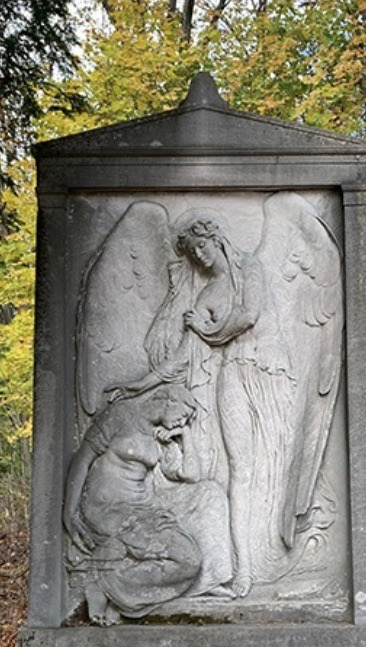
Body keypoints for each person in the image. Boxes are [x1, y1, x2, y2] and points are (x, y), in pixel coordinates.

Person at [106, 211, 294, 597]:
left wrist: (206, 330)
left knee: (271, 467)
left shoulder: (250, 269)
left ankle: (266, 552)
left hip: (269, 374)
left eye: (202, 246)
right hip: (233, 378)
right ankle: (241, 569)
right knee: (239, 472)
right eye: (193, 252)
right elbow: (181, 355)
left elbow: (247, 316)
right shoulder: (206, 295)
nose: (200, 256)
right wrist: (140, 384)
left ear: (216, 238)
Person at [64, 383, 232, 624]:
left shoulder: (158, 436)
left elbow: (192, 475)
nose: (181, 423)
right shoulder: (120, 415)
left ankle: (120, 595)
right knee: (186, 559)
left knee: (191, 548)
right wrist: (69, 512)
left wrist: (186, 436)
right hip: (107, 510)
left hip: (141, 511)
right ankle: (103, 588)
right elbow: (82, 460)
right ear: (168, 400)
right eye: (182, 417)